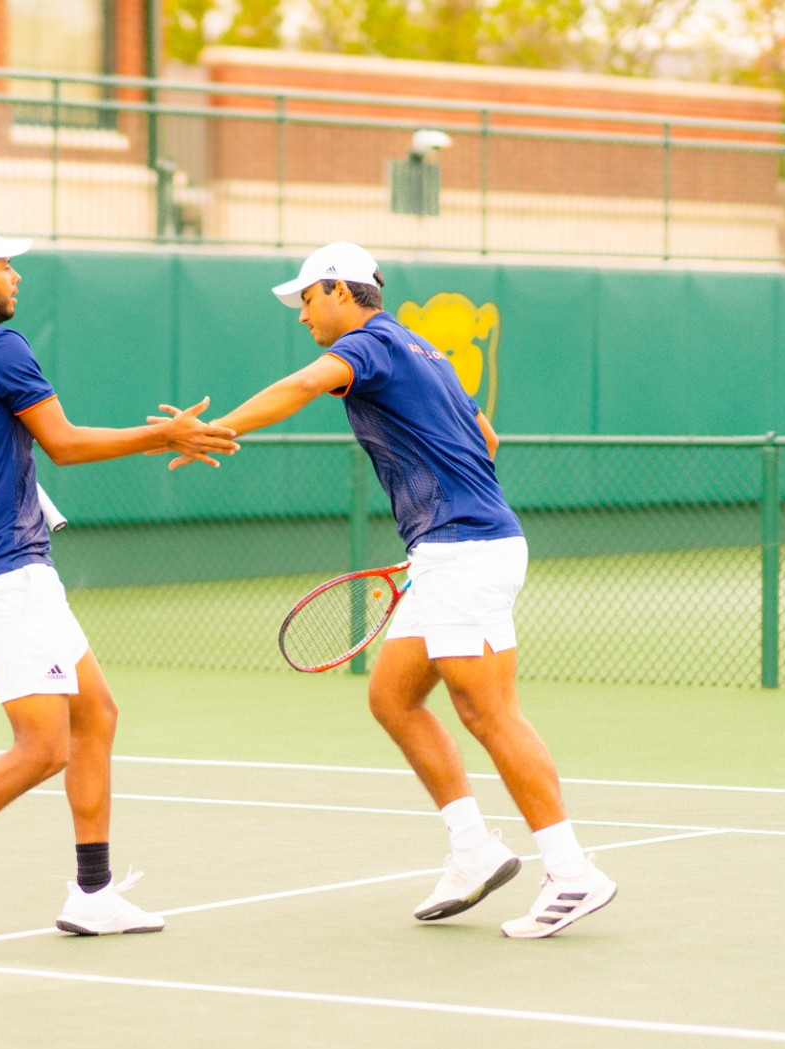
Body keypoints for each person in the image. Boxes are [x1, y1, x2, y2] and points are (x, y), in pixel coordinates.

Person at [179, 241, 616, 938]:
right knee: (392, 696)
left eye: (308, 300)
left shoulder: (372, 344)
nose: (302, 316)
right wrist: (434, 524)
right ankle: (473, 850)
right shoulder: (424, 350)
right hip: (455, 549)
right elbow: (486, 438)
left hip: (467, 551)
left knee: (489, 713)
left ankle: (571, 873)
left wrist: (212, 429)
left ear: (340, 291)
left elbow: (299, 386)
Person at [0, 220, 237, 949]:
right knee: (42, 747)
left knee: (97, 717)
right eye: (4, 265)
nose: (16, 276)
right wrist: (162, 435)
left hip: (10, 569)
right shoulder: (0, 347)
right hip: (5, 576)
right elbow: (63, 443)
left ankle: (92, 894)